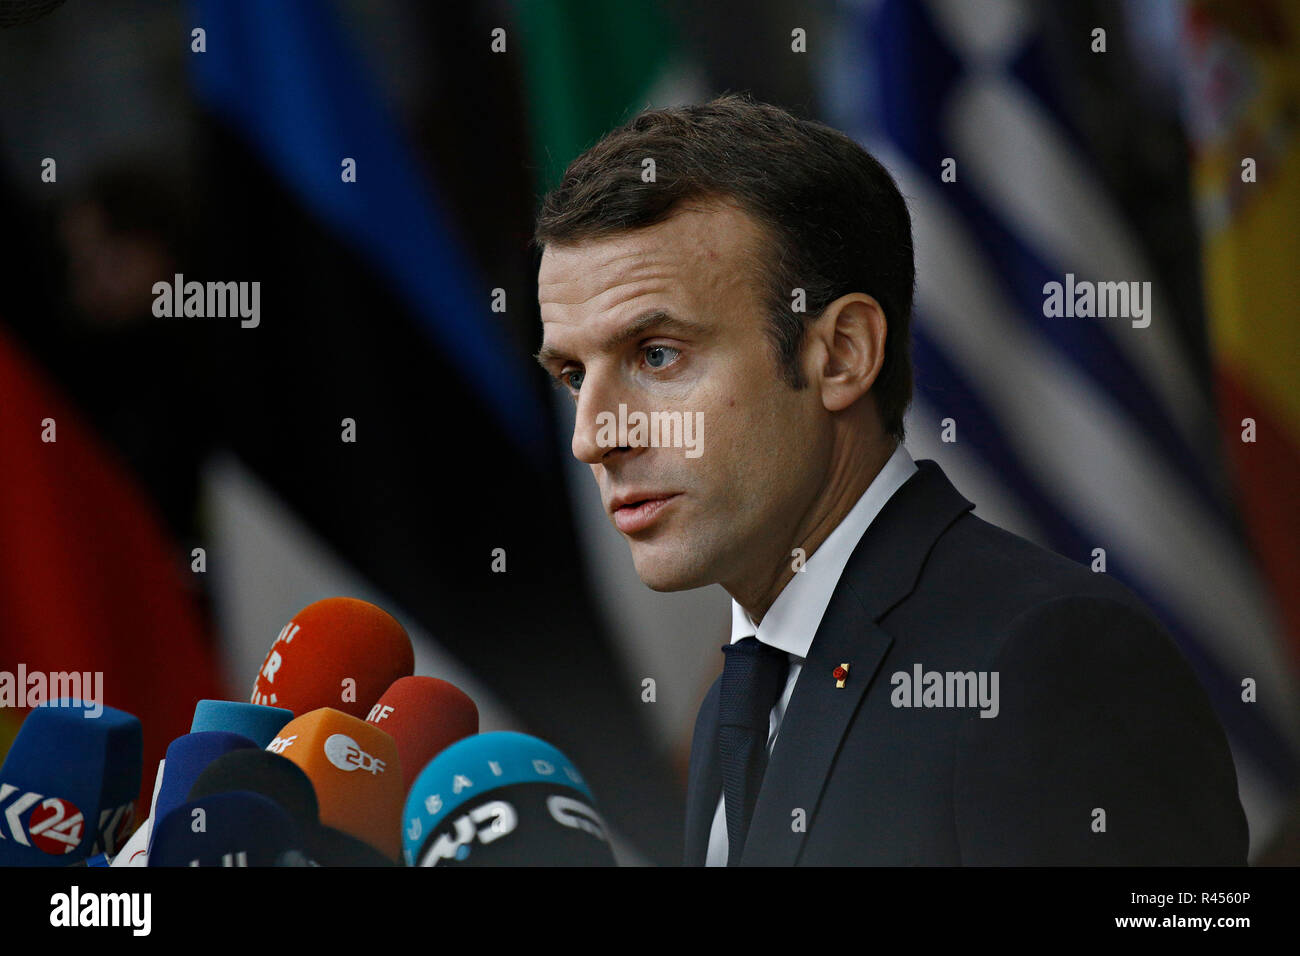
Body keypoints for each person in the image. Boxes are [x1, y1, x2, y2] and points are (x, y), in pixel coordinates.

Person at [532, 93, 1248, 865]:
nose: (593, 437)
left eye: (657, 355)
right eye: (574, 373)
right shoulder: (734, 707)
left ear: (841, 354)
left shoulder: (1050, 663)